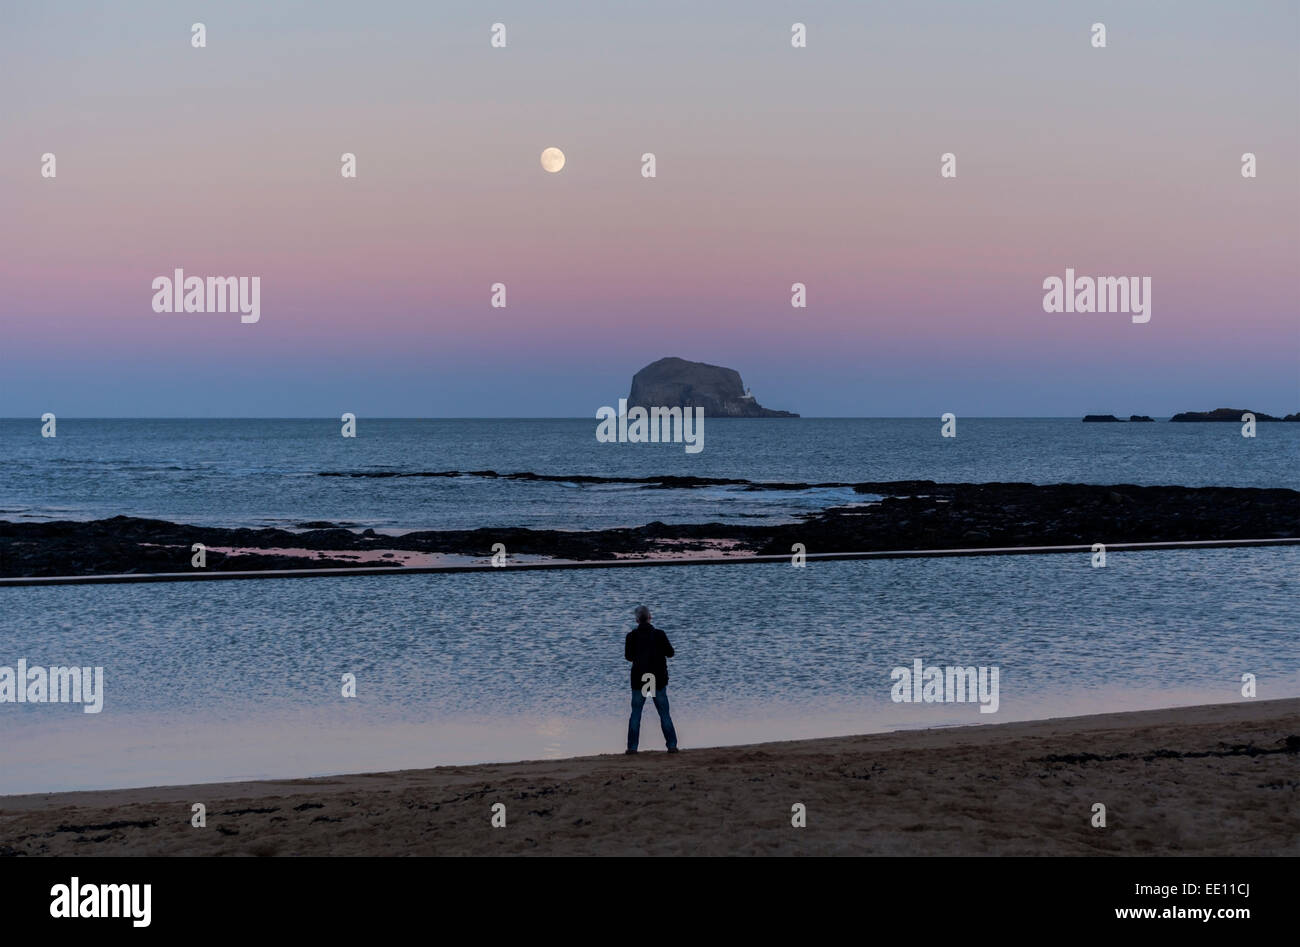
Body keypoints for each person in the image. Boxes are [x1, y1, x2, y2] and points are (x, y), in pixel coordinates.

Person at [624, 604, 679, 754]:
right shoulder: (659, 634)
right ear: (650, 617)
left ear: (637, 620)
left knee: (636, 713)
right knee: (664, 713)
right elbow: (670, 653)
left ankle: (632, 748)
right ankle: (672, 746)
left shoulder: (631, 636)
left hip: (639, 680)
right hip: (657, 679)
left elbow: (628, 657)